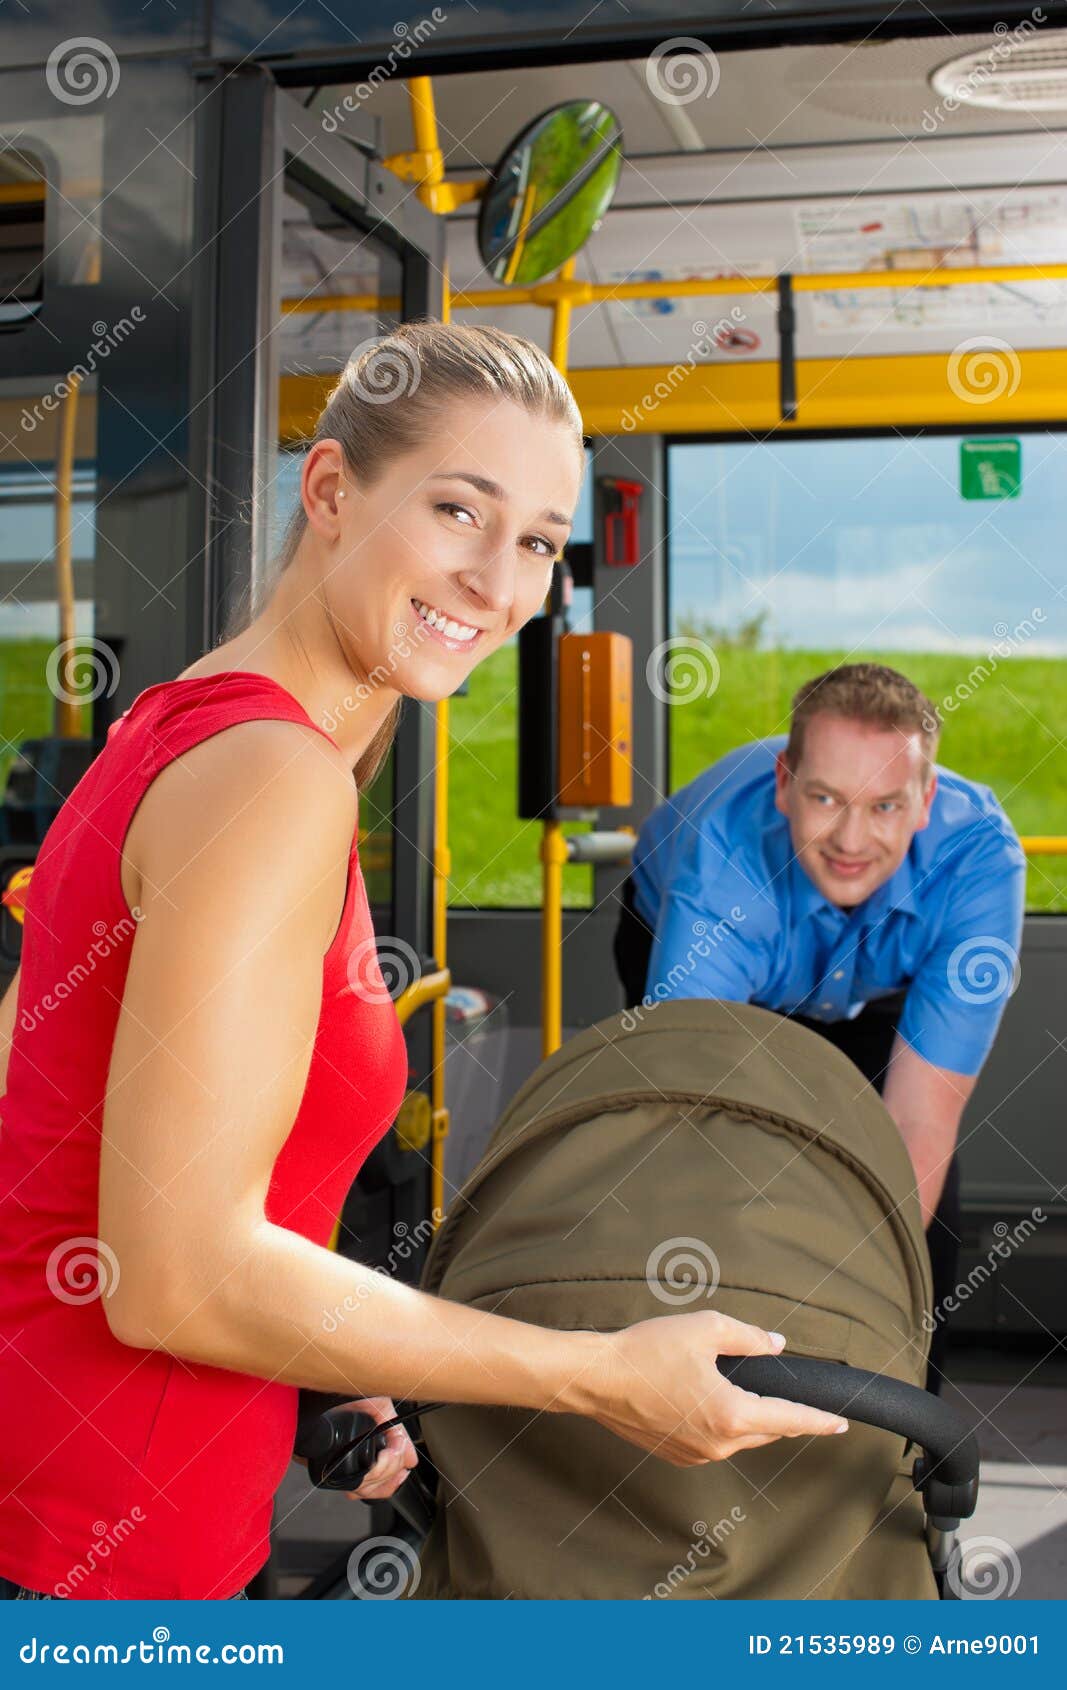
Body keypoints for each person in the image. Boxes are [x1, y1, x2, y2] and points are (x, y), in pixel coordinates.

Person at [0, 324, 848, 1602]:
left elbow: (35, 1073)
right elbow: (173, 1278)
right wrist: (599, 1374)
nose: (498, 585)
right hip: (99, 1549)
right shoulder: (273, 781)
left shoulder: (176, 729)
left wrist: (317, 1346)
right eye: (458, 508)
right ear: (332, 491)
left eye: (536, 542)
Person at [614, 663, 1026, 1393]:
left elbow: (918, 1119)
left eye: (885, 807)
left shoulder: (978, 862)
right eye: (825, 797)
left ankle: (902, 1454)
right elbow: (689, 1122)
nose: (850, 838)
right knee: (715, 1159)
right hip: (706, 948)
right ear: (783, 785)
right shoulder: (721, 871)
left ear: (926, 801)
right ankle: (688, 1399)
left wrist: (862, 1304)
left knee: (922, 1203)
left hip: (875, 988)